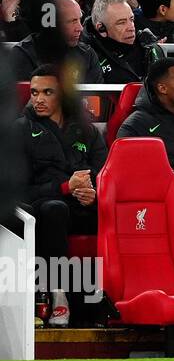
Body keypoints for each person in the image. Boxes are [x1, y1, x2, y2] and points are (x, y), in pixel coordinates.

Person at [14, 65, 108, 327]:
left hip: (83, 207)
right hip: (42, 208)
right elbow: (18, 189)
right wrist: (66, 187)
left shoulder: (87, 131)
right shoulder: (20, 130)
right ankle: (58, 294)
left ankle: (111, 298)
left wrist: (95, 195)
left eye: (47, 92)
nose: (38, 99)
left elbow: (106, 174)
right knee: (54, 209)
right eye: (34, 92)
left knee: (117, 213)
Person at [7, 0, 102, 83]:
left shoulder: (87, 54)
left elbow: (97, 97)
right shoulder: (23, 55)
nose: (80, 28)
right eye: (72, 21)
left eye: (79, 19)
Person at [83, 0, 163, 83]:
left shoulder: (148, 46)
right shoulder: (84, 56)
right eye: (121, 22)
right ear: (101, 29)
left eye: (131, 20)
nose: (131, 28)